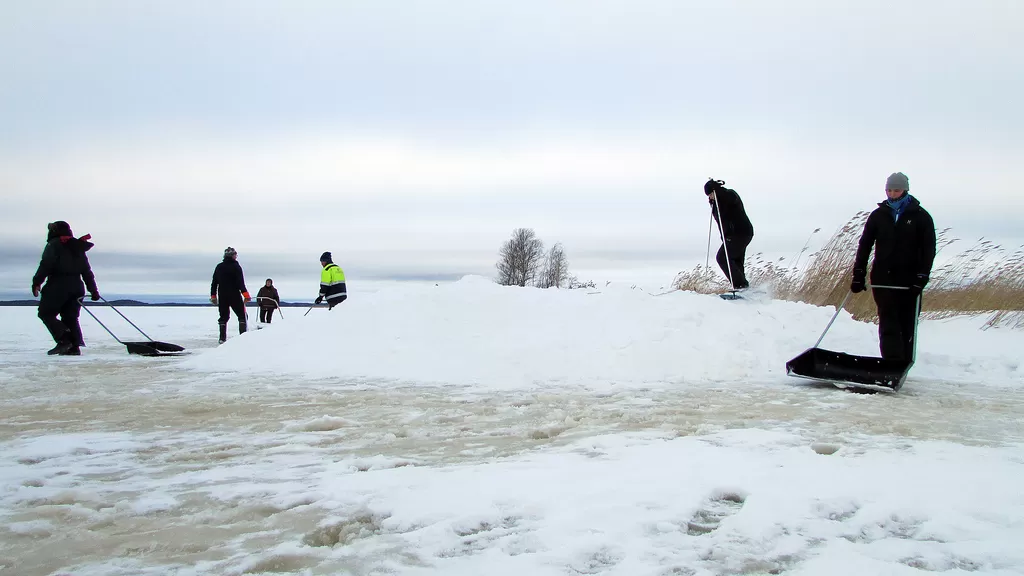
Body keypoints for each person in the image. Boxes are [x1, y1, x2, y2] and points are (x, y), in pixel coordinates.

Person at [851, 172, 936, 361]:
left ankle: (903, 364)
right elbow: (865, 245)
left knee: (906, 323)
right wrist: (859, 274)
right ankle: (890, 364)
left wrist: (922, 277)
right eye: (889, 190)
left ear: (905, 190)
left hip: (909, 280)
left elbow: (929, 249)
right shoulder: (878, 216)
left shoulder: (921, 217)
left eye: (896, 190)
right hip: (883, 277)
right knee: (888, 322)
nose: (892, 194)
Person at [31, 221, 101, 355]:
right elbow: (87, 271)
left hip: (58, 284)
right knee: (70, 317)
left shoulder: (54, 245)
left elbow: (46, 264)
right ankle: (74, 347)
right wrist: (93, 290)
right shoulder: (77, 247)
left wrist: (37, 282)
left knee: (46, 313)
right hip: (77, 286)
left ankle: (64, 340)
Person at [704, 178, 754, 290]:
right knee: (736, 261)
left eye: (710, 194)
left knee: (722, 258)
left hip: (740, 233)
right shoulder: (718, 203)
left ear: (715, 190)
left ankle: (741, 285)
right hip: (734, 235)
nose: (710, 197)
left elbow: (731, 200)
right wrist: (714, 204)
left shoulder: (729, 194)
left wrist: (718, 193)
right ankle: (744, 289)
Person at [210, 247, 251, 343]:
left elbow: (214, 283)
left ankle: (222, 339)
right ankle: (243, 337)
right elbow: (241, 283)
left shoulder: (219, 267)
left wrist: (213, 296)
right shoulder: (236, 267)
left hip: (222, 295)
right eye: (235, 254)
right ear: (233, 255)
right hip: (234, 295)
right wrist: (246, 295)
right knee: (242, 315)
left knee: (223, 317)